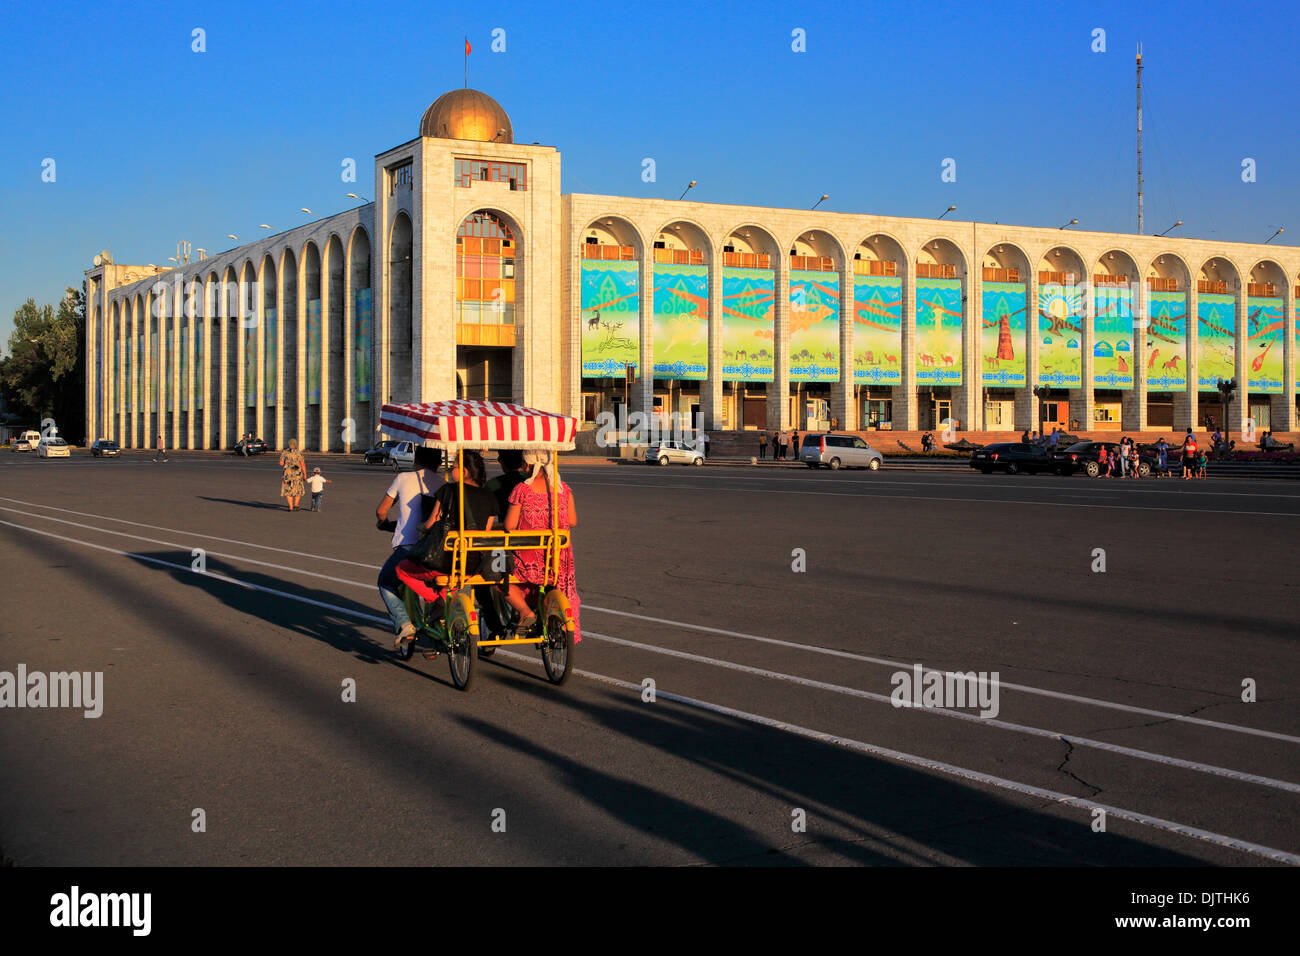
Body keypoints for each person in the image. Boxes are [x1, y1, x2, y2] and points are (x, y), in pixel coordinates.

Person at [504, 450, 581, 641]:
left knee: (499, 577)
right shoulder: (563, 489)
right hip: (557, 560)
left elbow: (509, 525)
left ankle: (525, 611)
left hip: (528, 560)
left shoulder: (522, 490)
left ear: (528, 465)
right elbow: (572, 521)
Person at [375, 446, 442, 646]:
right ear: (439, 463)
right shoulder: (444, 484)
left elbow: (381, 511)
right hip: (436, 549)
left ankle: (404, 623)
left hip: (409, 547)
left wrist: (384, 523)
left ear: (416, 460)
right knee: (434, 584)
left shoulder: (403, 478)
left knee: (385, 582)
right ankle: (436, 627)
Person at [279, 438, 306, 510]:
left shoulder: (285, 452)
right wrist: (305, 474)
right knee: (297, 489)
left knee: (288, 490)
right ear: (295, 444)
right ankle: (296, 504)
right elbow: (302, 464)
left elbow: (281, 463)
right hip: (297, 474)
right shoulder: (299, 453)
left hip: (287, 474)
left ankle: (290, 507)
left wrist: (287, 464)